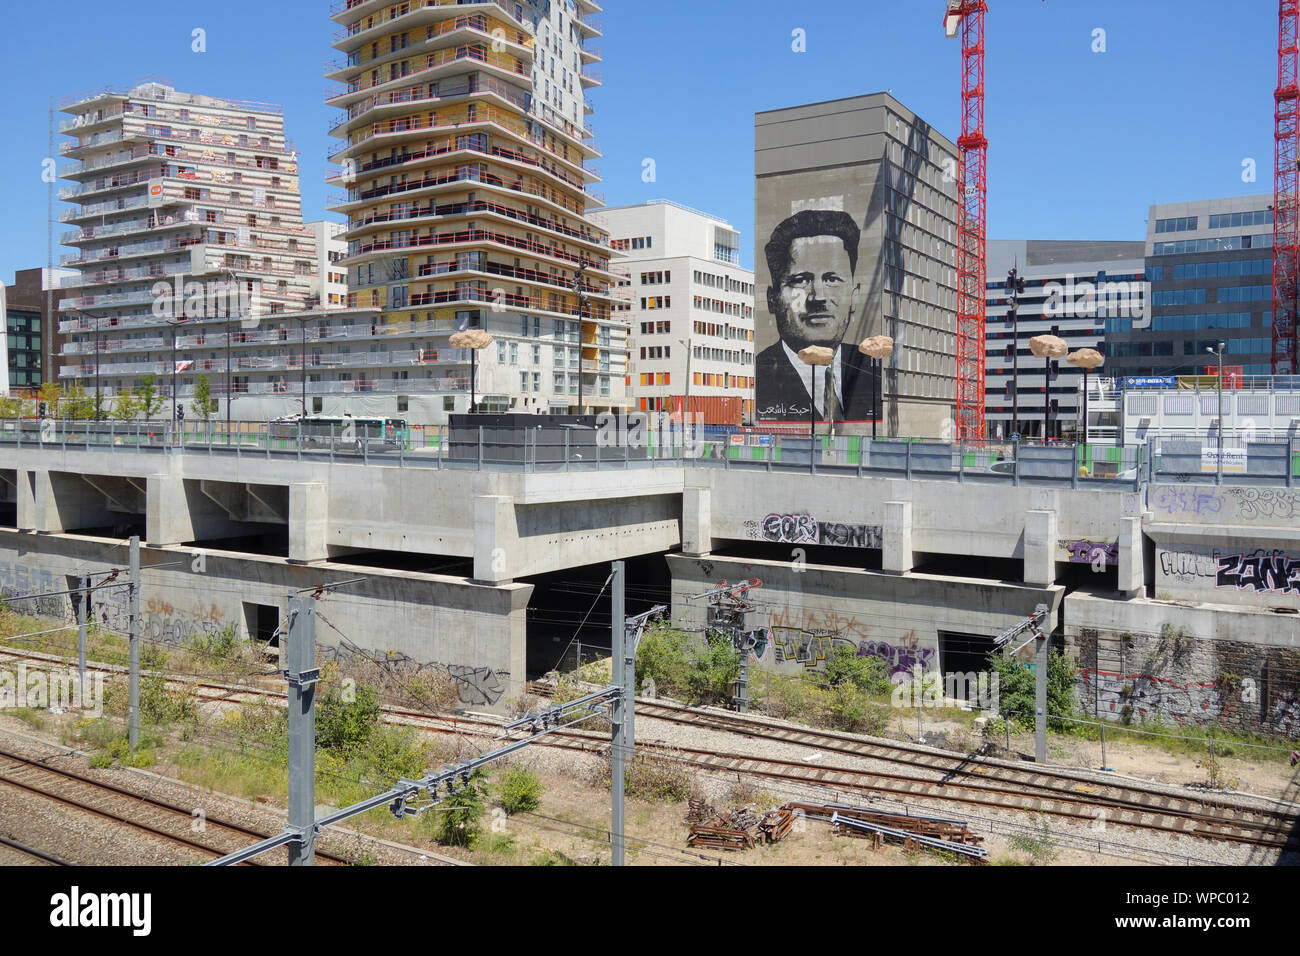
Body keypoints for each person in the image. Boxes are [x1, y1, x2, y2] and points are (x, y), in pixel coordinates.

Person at [755, 209, 876, 423]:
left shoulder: (873, 372)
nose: (818, 296)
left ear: (854, 295)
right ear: (772, 300)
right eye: (801, 280)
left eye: (832, 279)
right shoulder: (759, 376)